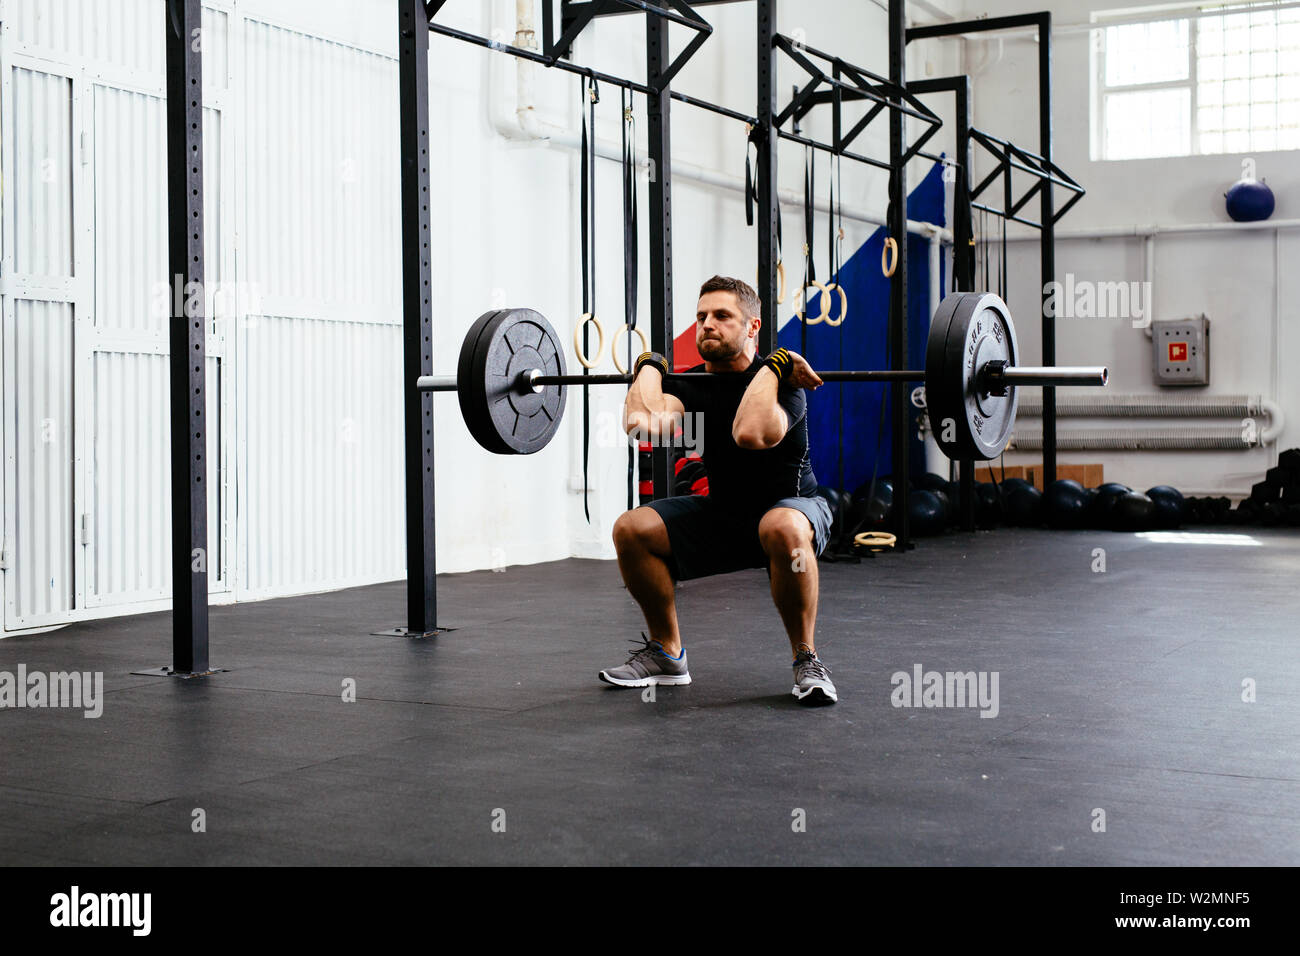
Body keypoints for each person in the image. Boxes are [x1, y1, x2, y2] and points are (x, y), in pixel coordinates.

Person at [601, 275, 837, 705]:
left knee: (780, 525)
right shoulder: (693, 385)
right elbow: (641, 424)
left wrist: (773, 366)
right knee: (631, 529)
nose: (706, 325)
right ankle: (666, 653)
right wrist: (651, 365)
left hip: (794, 511)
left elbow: (750, 434)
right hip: (725, 514)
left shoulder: (786, 381)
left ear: (752, 327)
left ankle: (807, 658)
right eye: (701, 317)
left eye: (722, 316)